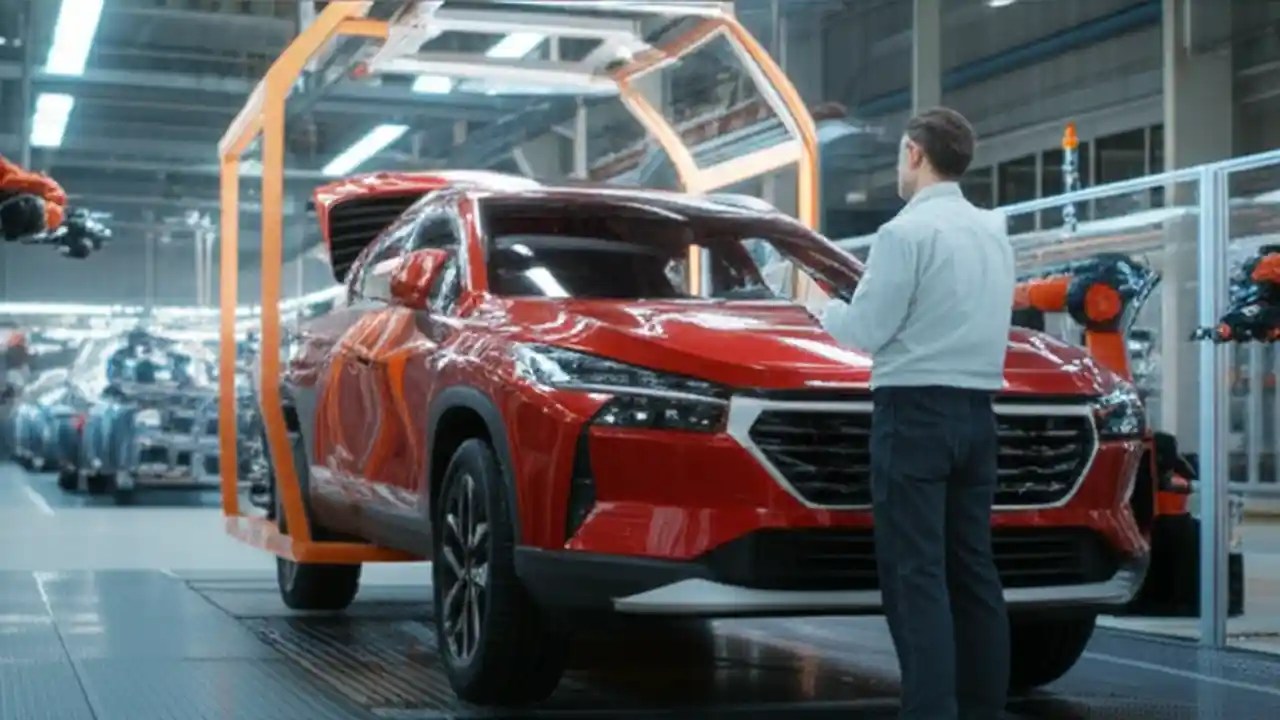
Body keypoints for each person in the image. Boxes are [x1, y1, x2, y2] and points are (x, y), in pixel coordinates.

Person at [820, 107, 1015, 719]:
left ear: (912, 153)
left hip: (914, 415)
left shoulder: (902, 234)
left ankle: (929, 712)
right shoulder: (994, 232)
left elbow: (867, 330)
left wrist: (818, 307)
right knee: (973, 569)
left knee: (916, 573)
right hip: (978, 416)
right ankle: (983, 708)